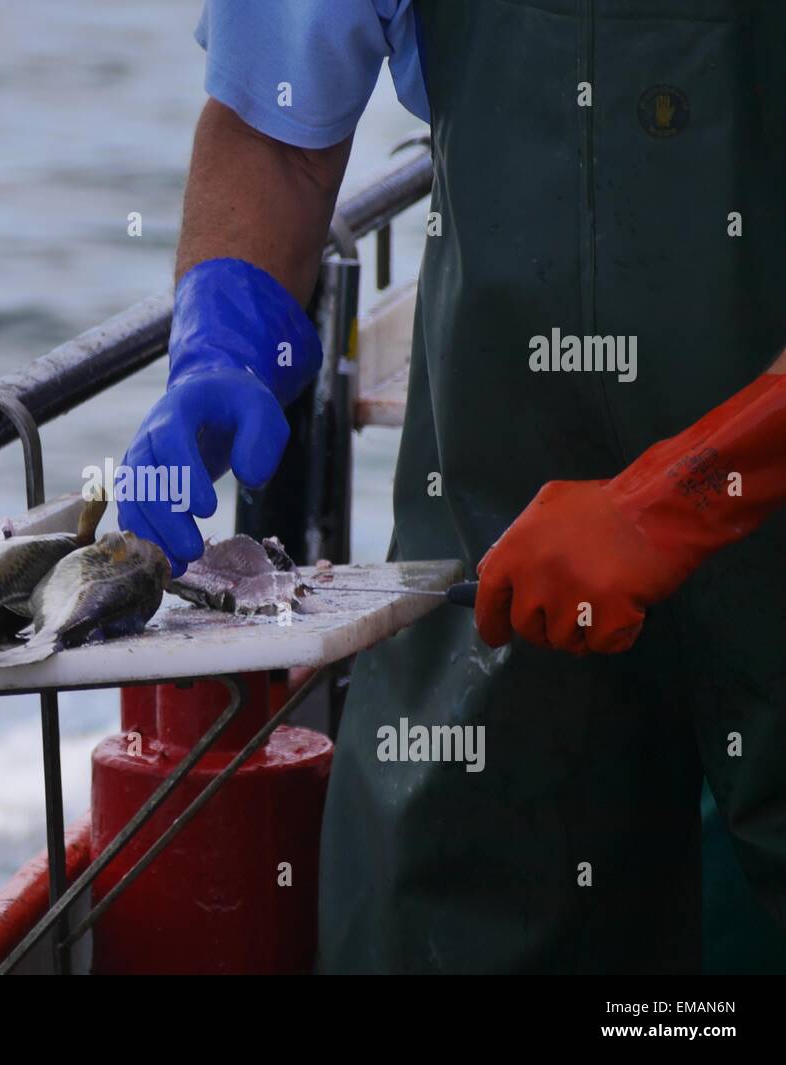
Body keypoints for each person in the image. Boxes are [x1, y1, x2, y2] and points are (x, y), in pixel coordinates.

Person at [118, 0, 786, 972]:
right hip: (498, 557)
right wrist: (224, 333)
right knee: (447, 912)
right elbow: (277, 136)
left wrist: (685, 495)